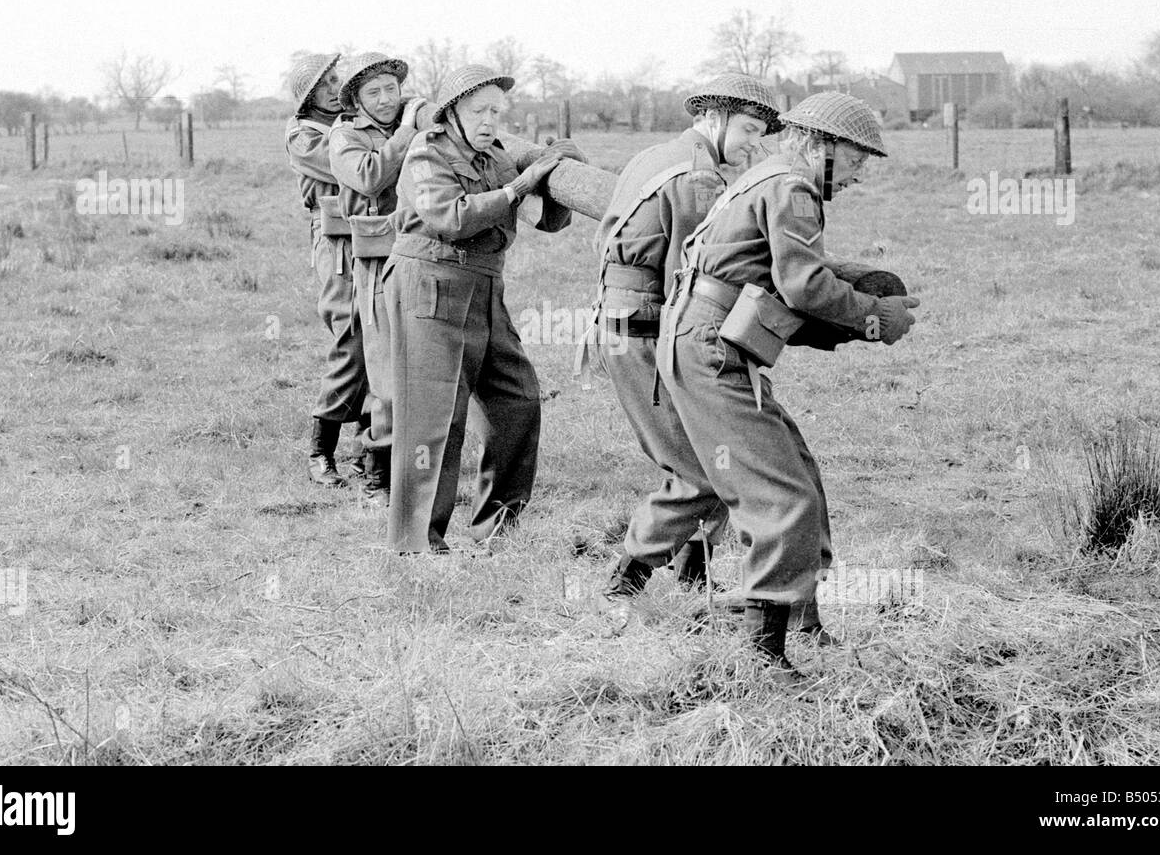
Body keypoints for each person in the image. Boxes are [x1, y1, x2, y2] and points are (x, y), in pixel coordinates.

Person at [656, 92, 921, 671]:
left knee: (797, 471)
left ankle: (799, 618)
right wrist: (877, 319)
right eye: (855, 160)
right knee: (784, 496)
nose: (858, 176)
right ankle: (764, 655)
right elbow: (803, 286)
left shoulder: (765, 176)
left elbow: (774, 287)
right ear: (817, 144)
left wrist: (857, 304)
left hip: (711, 342)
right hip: (712, 349)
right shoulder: (793, 188)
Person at [582, 74, 784, 599]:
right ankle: (627, 579)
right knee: (705, 466)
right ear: (713, 119)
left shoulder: (652, 156)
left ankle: (694, 575)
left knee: (703, 449)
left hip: (622, 325)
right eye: (746, 129)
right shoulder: (699, 181)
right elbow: (690, 285)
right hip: (650, 330)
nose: (753, 145)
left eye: (761, 133)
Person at [383, 64, 581, 554]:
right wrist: (519, 186)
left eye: (498, 111)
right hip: (431, 282)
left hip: (484, 283)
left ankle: (498, 525)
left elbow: (548, 222)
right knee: (436, 415)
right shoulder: (427, 152)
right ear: (452, 111)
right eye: (480, 110)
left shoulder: (496, 156)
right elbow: (451, 217)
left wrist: (561, 170)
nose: (491, 119)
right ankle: (416, 543)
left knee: (517, 398)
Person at [328, 52, 428, 505]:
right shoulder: (345, 136)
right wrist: (408, 132)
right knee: (385, 366)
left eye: (391, 88)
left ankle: (420, 467)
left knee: (423, 361)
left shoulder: (413, 122)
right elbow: (368, 178)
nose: (386, 99)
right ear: (356, 99)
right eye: (374, 92)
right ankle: (378, 477)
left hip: (424, 253)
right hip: (376, 259)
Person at [284, 52, 369, 487]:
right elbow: (351, 170)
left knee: (381, 337)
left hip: (373, 235)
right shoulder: (305, 135)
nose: (337, 87)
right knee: (350, 336)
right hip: (337, 242)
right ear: (309, 97)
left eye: (338, 78)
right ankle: (321, 449)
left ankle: (368, 453)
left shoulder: (351, 124)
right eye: (326, 83)